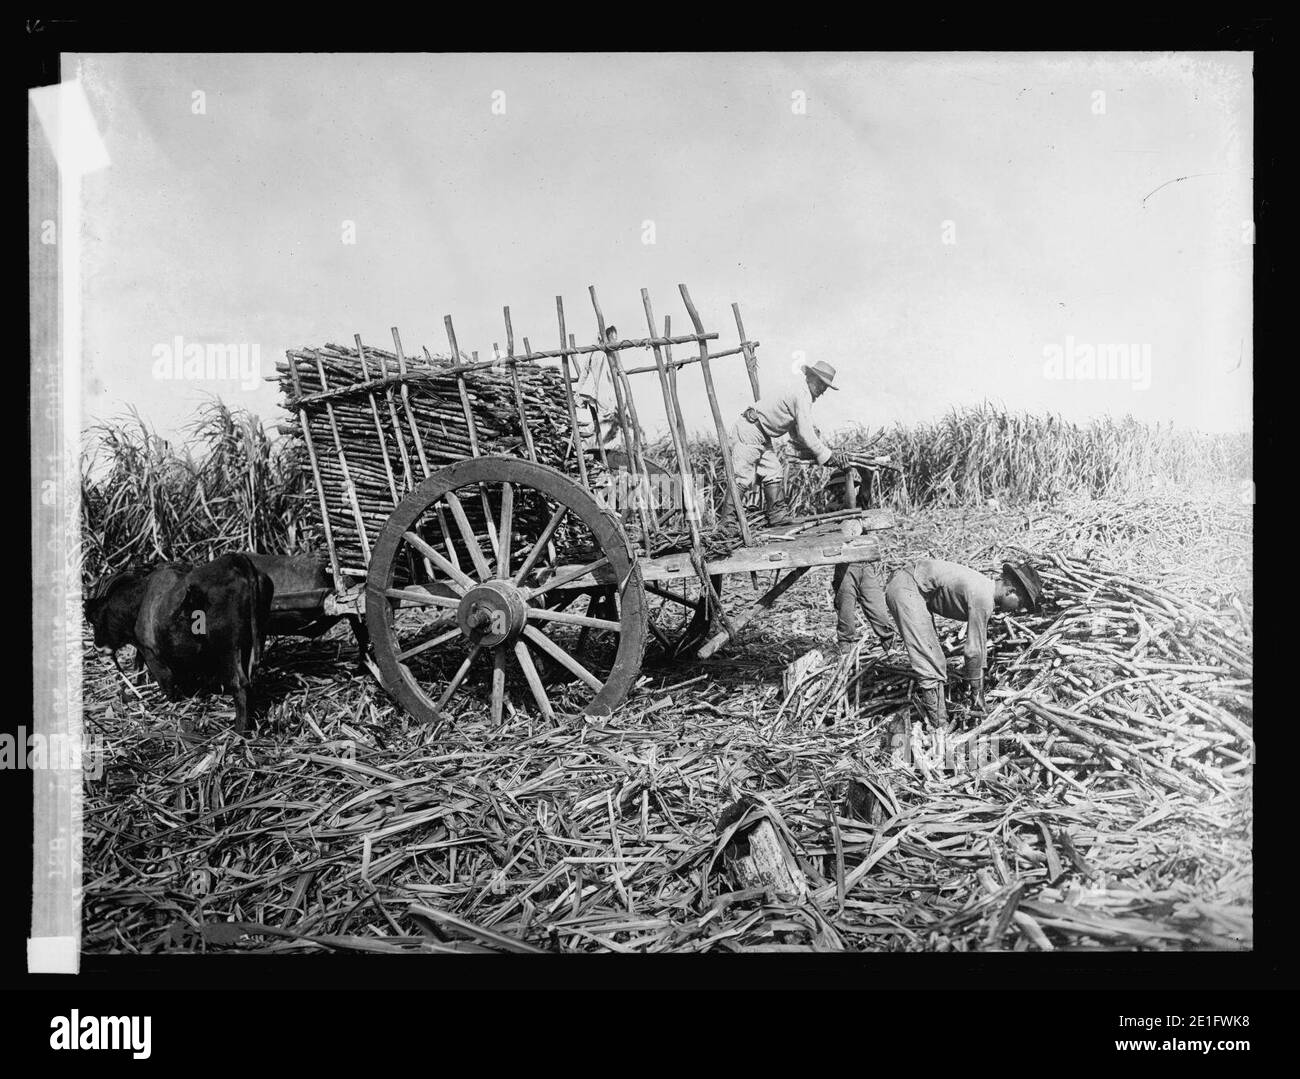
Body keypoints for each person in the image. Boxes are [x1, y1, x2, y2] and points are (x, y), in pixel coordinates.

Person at [884, 559, 1044, 731]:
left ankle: (940, 722)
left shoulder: (984, 589)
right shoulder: (984, 598)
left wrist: (978, 687)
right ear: (1010, 591)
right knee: (931, 662)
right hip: (907, 587)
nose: (1018, 610)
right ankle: (940, 727)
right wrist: (977, 696)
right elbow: (973, 652)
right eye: (1020, 603)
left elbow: (978, 647)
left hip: (912, 587)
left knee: (934, 657)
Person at [729, 360, 850, 526]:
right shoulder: (802, 395)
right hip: (751, 430)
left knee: (773, 471)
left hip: (761, 434)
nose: (822, 390)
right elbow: (806, 433)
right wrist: (827, 455)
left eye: (825, 387)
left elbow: (796, 432)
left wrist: (812, 451)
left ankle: (777, 515)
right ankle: (727, 522)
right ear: (810, 377)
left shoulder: (800, 393)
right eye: (821, 384)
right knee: (743, 477)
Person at [832, 561, 896, 651]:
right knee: (846, 617)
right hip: (845, 569)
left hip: (867, 567)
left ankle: (892, 652)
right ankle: (846, 655)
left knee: (881, 617)